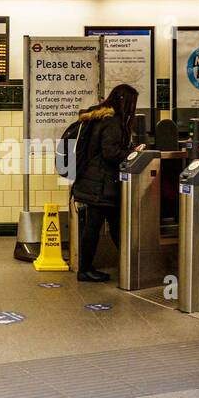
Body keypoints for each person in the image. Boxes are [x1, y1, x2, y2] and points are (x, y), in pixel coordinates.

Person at [70, 83, 138, 282]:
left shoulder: (98, 118)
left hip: (93, 180)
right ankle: (125, 266)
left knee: (104, 225)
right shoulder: (113, 121)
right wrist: (133, 153)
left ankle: (124, 265)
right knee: (107, 226)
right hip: (102, 184)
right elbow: (110, 153)